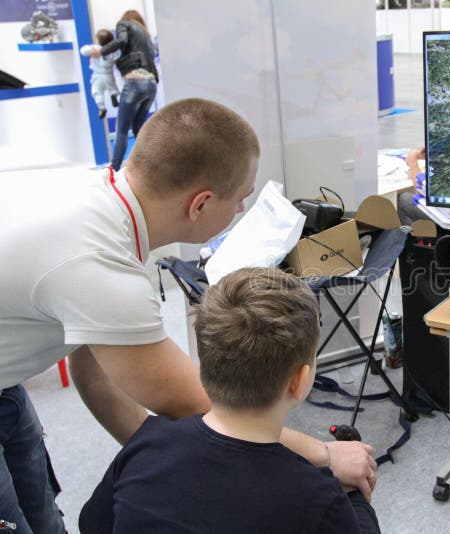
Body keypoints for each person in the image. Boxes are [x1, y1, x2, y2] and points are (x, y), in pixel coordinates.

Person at [0, 98, 375, 533]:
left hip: (8, 385)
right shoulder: (100, 265)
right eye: (240, 199)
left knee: (43, 518)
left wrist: (159, 463)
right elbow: (195, 404)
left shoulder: (106, 205)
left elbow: (93, 365)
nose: (240, 211)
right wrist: (325, 455)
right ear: (199, 204)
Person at [79, 268, 381, 533]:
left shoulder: (145, 444)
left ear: (204, 360)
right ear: (298, 381)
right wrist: (355, 499)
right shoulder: (317, 500)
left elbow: (93, 523)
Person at [92, 10, 157, 171]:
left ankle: (113, 169)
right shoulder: (146, 36)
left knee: (122, 129)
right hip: (151, 85)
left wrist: (101, 51)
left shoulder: (124, 24)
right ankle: (151, 164)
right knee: (138, 129)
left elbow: (121, 40)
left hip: (135, 81)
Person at [79, 29, 119, 119]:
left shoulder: (95, 48)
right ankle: (114, 95)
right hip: (109, 74)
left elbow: (82, 50)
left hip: (97, 76)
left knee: (97, 92)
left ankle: (102, 107)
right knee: (112, 87)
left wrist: (91, 50)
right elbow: (118, 59)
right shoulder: (113, 51)